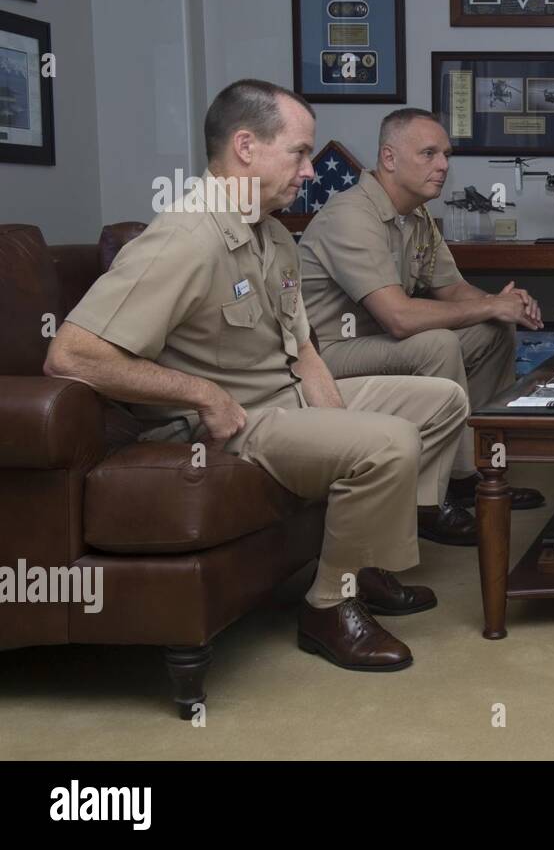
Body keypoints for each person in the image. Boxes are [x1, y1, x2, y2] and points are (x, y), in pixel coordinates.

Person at [44, 79, 472, 673]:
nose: (309, 170)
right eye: (298, 152)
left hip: (288, 398)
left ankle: (365, 556)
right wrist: (203, 395)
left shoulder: (272, 232)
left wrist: (335, 421)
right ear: (246, 146)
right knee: (388, 440)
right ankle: (329, 606)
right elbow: (71, 355)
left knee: (441, 401)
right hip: (234, 422)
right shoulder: (184, 238)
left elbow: (305, 350)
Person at [298, 108, 545, 546]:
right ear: (389, 159)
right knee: (435, 343)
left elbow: (452, 290)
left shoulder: (417, 215)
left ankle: (473, 472)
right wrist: (491, 304)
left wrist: (505, 305)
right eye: (429, 153)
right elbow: (399, 316)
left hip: (379, 343)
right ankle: (427, 502)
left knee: (492, 330)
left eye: (446, 154)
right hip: (329, 354)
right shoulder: (352, 215)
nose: (444, 165)